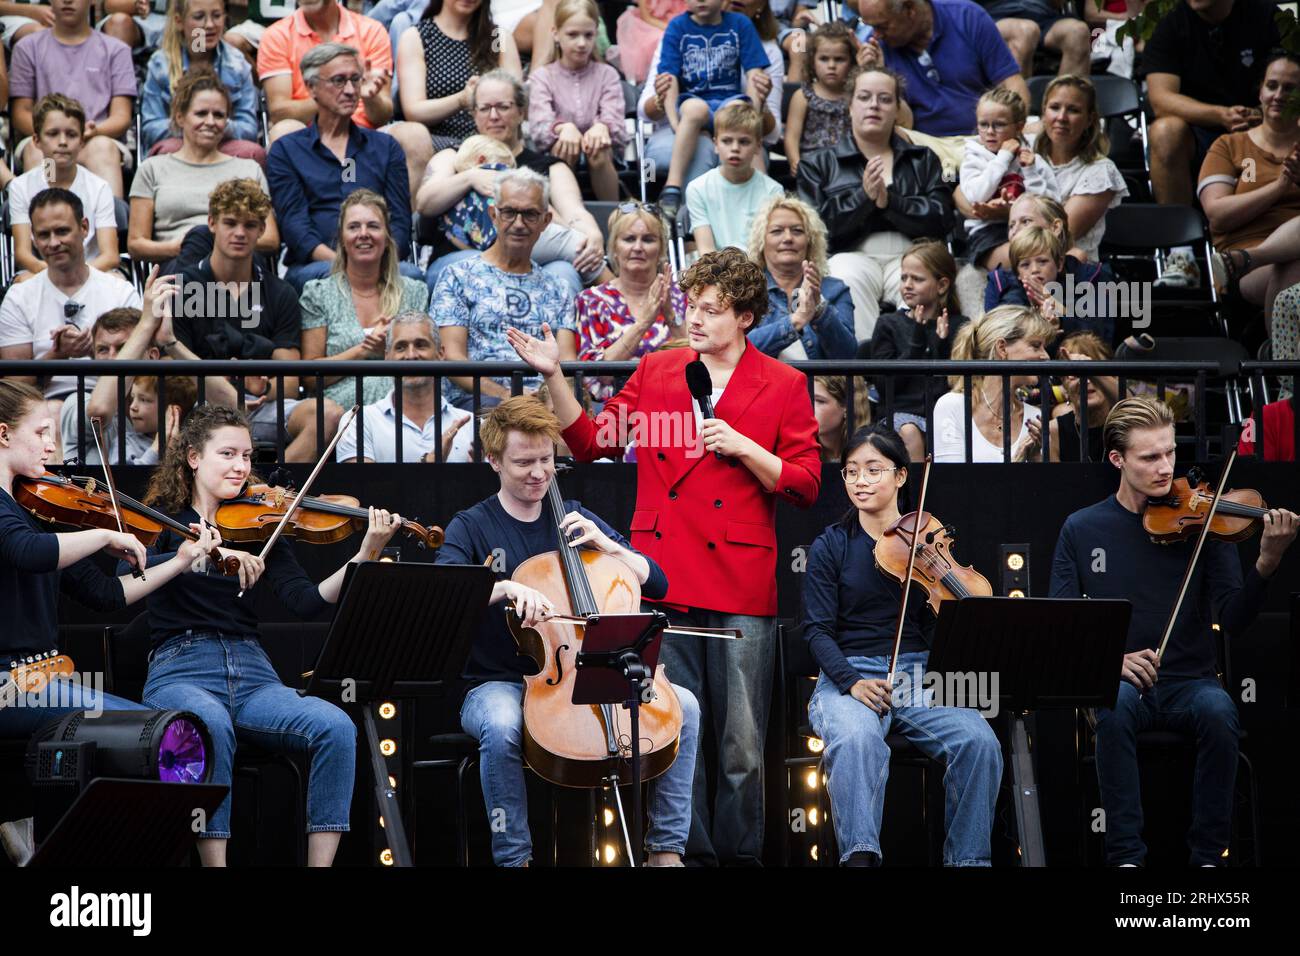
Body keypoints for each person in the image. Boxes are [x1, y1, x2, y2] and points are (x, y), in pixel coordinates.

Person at [509, 247, 822, 867]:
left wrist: (745, 447)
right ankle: (684, 855)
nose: (697, 318)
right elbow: (594, 441)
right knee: (672, 731)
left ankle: (738, 858)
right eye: (692, 306)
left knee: (741, 746)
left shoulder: (783, 384)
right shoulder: (658, 370)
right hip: (662, 575)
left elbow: (807, 483)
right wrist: (554, 376)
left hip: (739, 581)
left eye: (712, 309)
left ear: (747, 318)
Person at [435, 394, 700, 866]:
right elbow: (443, 591)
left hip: (581, 671)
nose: (539, 473)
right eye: (524, 462)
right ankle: (514, 857)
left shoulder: (575, 515)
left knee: (688, 706)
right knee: (501, 724)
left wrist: (610, 547)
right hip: (492, 680)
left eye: (546, 460)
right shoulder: (470, 525)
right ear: (494, 461)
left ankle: (666, 851)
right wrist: (505, 589)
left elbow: (656, 581)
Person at [135, 403, 404, 866]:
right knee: (208, 724)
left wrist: (365, 552)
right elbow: (133, 574)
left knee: (334, 726)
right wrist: (197, 555)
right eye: (228, 454)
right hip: (182, 667)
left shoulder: (260, 524)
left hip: (253, 672)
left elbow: (307, 601)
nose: (241, 466)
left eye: (246, 456)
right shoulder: (164, 518)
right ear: (194, 457)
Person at [1050, 396, 1298, 866]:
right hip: (1119, 683)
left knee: (1220, 712)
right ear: (1117, 459)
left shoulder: (1204, 521)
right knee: (1114, 704)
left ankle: (1208, 858)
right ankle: (1126, 858)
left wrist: (1267, 562)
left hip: (1191, 682)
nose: (1166, 468)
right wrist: (1112, 662)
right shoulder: (1081, 529)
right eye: (1149, 457)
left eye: (1169, 452)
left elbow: (1235, 618)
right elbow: (1063, 625)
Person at [0, 379, 220, 870]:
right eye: (42, 432)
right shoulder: (8, 516)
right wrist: (103, 533)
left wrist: (180, 561)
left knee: (156, 734)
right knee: (152, 733)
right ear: (3, 435)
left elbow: (106, 594)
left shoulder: (37, 512)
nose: (54, 445)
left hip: (39, 683)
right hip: (8, 685)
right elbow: (27, 553)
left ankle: (58, 845)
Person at [803, 423, 1003, 866]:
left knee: (979, 742)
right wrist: (852, 681)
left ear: (900, 476)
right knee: (856, 739)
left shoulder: (927, 546)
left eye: (873, 470)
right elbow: (816, 630)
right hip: (850, 674)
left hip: (919, 673)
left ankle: (969, 862)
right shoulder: (831, 546)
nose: (860, 481)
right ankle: (860, 858)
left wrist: (953, 607)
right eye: (852, 471)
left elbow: (938, 633)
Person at [416, 70, 607, 298]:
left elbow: (574, 212)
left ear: (521, 112)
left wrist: (592, 234)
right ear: (474, 114)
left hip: (533, 259)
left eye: (503, 107)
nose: (494, 116)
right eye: (485, 108)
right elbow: (425, 203)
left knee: (564, 272)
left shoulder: (549, 166)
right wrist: (469, 177)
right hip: (462, 256)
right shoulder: (453, 157)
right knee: (473, 269)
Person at [796, 66, 953, 342]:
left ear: (896, 109)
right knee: (845, 277)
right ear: (850, 106)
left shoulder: (923, 158)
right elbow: (815, 230)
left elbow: (942, 220)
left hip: (911, 255)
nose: (874, 106)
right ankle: (862, 373)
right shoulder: (817, 163)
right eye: (865, 97)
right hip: (850, 255)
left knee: (924, 280)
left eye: (884, 98)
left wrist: (889, 201)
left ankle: (915, 369)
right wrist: (864, 198)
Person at [266, 42, 422, 292]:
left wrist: (374, 263)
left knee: (411, 276)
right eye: (339, 81)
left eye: (355, 80)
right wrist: (345, 265)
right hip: (317, 266)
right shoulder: (287, 150)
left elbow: (400, 222)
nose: (350, 90)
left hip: (381, 262)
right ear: (312, 87)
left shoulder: (386, 147)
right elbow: (295, 228)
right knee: (316, 280)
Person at [0, 189, 142, 451]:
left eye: (62, 231)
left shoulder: (120, 292)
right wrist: (58, 354)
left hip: (115, 406)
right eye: (44, 235)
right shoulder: (19, 297)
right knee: (53, 414)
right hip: (42, 409)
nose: (53, 243)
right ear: (32, 237)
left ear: (84, 227)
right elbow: (13, 387)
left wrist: (99, 350)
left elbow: (143, 371)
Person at [432, 168, 578, 411]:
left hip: (546, 401)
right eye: (509, 212)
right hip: (480, 400)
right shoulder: (458, 276)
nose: (518, 223)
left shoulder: (559, 288)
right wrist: (505, 394)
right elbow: (452, 358)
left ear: (546, 221)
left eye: (530, 214)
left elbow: (568, 362)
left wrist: (550, 399)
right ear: (493, 214)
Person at [128, 70, 277, 266]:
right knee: (198, 240)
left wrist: (223, 241)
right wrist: (178, 246)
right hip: (178, 262)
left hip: (238, 264)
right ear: (180, 118)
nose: (210, 122)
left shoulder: (248, 169)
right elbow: (136, 244)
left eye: (219, 115)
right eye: (201, 113)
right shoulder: (152, 169)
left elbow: (271, 239)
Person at [300, 188, 430, 411]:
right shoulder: (318, 293)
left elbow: (425, 363)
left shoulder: (415, 291)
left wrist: (389, 352)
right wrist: (364, 351)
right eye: (353, 227)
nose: (363, 234)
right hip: (341, 411)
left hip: (405, 405)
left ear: (387, 237)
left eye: (373, 226)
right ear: (342, 238)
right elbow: (310, 378)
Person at [1145, 0, 1282, 203]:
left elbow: (1291, 81)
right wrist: (1220, 115)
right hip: (1198, 128)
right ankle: (1178, 231)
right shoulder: (1169, 20)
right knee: (1165, 132)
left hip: (1261, 122)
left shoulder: (1267, 14)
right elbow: (1160, 99)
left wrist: (1262, 113)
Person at [1199, 52, 1300, 321]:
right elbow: (1217, 214)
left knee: (1293, 263)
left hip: (1254, 262)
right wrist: (1280, 187)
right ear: (1260, 92)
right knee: (1292, 266)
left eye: (1290, 88)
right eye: (1272, 85)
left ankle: (1279, 358)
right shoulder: (1230, 145)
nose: (1279, 95)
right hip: (1244, 274)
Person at [650, 0, 773, 221]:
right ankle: (672, 187)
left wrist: (752, 118)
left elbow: (755, 75)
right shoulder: (677, 26)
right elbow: (667, 79)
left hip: (728, 100)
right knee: (694, 109)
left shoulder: (740, 24)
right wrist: (677, 125)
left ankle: (765, 193)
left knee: (739, 110)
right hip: (694, 101)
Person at [9, 0, 137, 198]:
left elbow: (122, 115)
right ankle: (43, 217)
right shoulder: (27, 48)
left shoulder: (116, 50)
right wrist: (50, 134)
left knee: (102, 149)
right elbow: (20, 113)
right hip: (46, 140)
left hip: (97, 137)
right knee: (37, 151)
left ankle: (110, 225)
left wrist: (89, 132)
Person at [851, 0, 1028, 137]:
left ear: (910, 10)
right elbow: (903, 124)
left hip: (984, 140)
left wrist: (1017, 130)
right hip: (923, 150)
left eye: (882, 26)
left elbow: (1011, 83)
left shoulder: (967, 17)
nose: (876, 35)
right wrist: (878, 74)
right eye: (870, 26)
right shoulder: (876, 50)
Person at [575, 203, 686, 403]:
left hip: (675, 403)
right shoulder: (591, 300)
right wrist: (642, 324)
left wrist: (669, 314)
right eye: (629, 239)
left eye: (648, 239)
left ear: (661, 248)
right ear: (614, 249)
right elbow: (598, 374)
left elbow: (698, 359)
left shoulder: (682, 295)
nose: (638, 247)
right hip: (612, 411)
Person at [870, 238, 969, 461]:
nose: (907, 284)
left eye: (917, 279)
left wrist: (942, 345)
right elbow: (886, 385)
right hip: (899, 416)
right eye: (904, 277)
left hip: (944, 416)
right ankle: (913, 496)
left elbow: (956, 384)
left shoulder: (960, 325)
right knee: (910, 432)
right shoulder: (888, 324)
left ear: (942, 285)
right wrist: (917, 336)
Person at [7, 94, 120, 281]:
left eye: (72, 134)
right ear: (36, 140)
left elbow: (110, 256)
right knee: (21, 282)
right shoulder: (21, 187)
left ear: (82, 141)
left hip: (90, 271)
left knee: (118, 280)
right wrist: (54, 274)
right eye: (52, 134)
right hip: (42, 272)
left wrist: (76, 274)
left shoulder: (99, 187)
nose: (62, 142)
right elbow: (23, 255)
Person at [336, 310, 474, 462]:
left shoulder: (470, 424)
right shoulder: (359, 421)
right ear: (387, 357)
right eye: (400, 347)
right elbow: (362, 485)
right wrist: (430, 461)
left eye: (421, 345)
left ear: (440, 354)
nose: (411, 355)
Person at [526, 0, 626, 202]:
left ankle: (612, 214)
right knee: (566, 146)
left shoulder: (607, 75)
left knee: (598, 149)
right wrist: (561, 128)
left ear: (596, 34)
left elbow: (616, 125)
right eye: (572, 35)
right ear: (556, 33)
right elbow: (538, 129)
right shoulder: (542, 77)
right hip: (556, 156)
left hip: (603, 159)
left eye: (588, 35)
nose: (581, 43)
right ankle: (566, 214)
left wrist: (602, 127)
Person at [141, 0, 265, 161]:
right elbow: (151, 129)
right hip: (179, 144)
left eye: (217, 16)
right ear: (179, 21)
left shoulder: (237, 63)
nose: (209, 25)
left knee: (252, 152)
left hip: (224, 144)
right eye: (199, 17)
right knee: (168, 149)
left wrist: (215, 125)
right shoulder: (161, 64)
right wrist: (189, 125)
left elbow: (248, 128)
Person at [395, 0, 523, 154]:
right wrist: (461, 100)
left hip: (491, 140)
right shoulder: (418, 37)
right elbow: (414, 110)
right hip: (436, 142)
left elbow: (517, 97)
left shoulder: (496, 38)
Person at [932, 304, 1052, 462]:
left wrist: (1036, 456)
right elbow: (951, 482)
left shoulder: (1034, 418)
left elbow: (1042, 486)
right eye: (1036, 346)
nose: (1046, 356)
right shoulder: (952, 406)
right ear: (1002, 348)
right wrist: (1018, 461)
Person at [957, 86, 1058, 271]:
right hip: (987, 232)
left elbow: (1052, 204)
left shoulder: (1033, 160)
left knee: (1046, 250)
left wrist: (1031, 172)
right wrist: (1002, 158)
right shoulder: (973, 158)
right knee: (1026, 254)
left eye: (999, 124)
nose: (990, 131)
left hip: (1030, 229)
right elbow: (975, 196)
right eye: (983, 124)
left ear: (1019, 126)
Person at [746, 193, 856, 361]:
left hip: (821, 386)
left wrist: (819, 311)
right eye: (777, 231)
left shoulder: (834, 289)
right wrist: (795, 322)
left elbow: (848, 355)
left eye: (797, 231)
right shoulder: (747, 291)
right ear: (761, 242)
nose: (788, 238)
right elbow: (737, 347)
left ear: (810, 241)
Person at [1031, 75, 1129, 263]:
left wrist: (1004, 214)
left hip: (1067, 268)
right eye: (1054, 108)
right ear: (1044, 112)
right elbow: (966, 190)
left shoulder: (1101, 171)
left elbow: (1057, 236)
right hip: (1017, 260)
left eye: (1073, 110)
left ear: (1090, 119)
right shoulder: (1025, 150)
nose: (1061, 117)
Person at [60, 307, 169, 466]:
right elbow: (99, 411)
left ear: (152, 356)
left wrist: (172, 343)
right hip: (95, 491)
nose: (112, 358)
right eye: (102, 350)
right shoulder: (77, 403)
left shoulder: (171, 401)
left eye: (123, 348)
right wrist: (146, 323)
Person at [984, 191, 1115, 312]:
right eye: (1011, 225)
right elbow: (994, 332)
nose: (1015, 232)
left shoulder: (1091, 278)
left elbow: (1100, 330)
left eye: (1025, 221)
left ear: (1055, 227)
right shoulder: (999, 282)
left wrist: (1056, 310)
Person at [687, 101, 783, 254]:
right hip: (715, 271)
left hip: (758, 273)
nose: (735, 148)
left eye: (744, 142)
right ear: (716, 145)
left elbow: (768, 251)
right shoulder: (697, 188)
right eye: (727, 141)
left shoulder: (773, 191)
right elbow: (706, 251)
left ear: (758, 146)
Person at [784, 21, 853, 177]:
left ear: (851, 61)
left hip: (848, 168)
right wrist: (795, 161)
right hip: (812, 168)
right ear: (812, 61)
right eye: (824, 59)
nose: (831, 65)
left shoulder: (855, 96)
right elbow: (791, 136)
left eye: (839, 59)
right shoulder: (803, 96)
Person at [1046, 330, 1119, 462]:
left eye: (1095, 370)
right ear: (1064, 384)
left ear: (1113, 377)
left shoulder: (1128, 424)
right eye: (1075, 373)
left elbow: (1132, 403)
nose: (1085, 380)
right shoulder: (1053, 431)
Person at [975, 0, 1092, 79]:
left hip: (1044, 17)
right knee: (1026, 32)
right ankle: (1016, 111)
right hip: (996, 14)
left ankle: (1064, 109)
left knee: (1078, 32)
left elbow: (1059, 3)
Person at [812, 375, 871, 462]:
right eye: (806, 398)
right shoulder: (799, 448)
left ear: (846, 406)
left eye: (820, 401)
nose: (809, 407)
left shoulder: (870, 449)